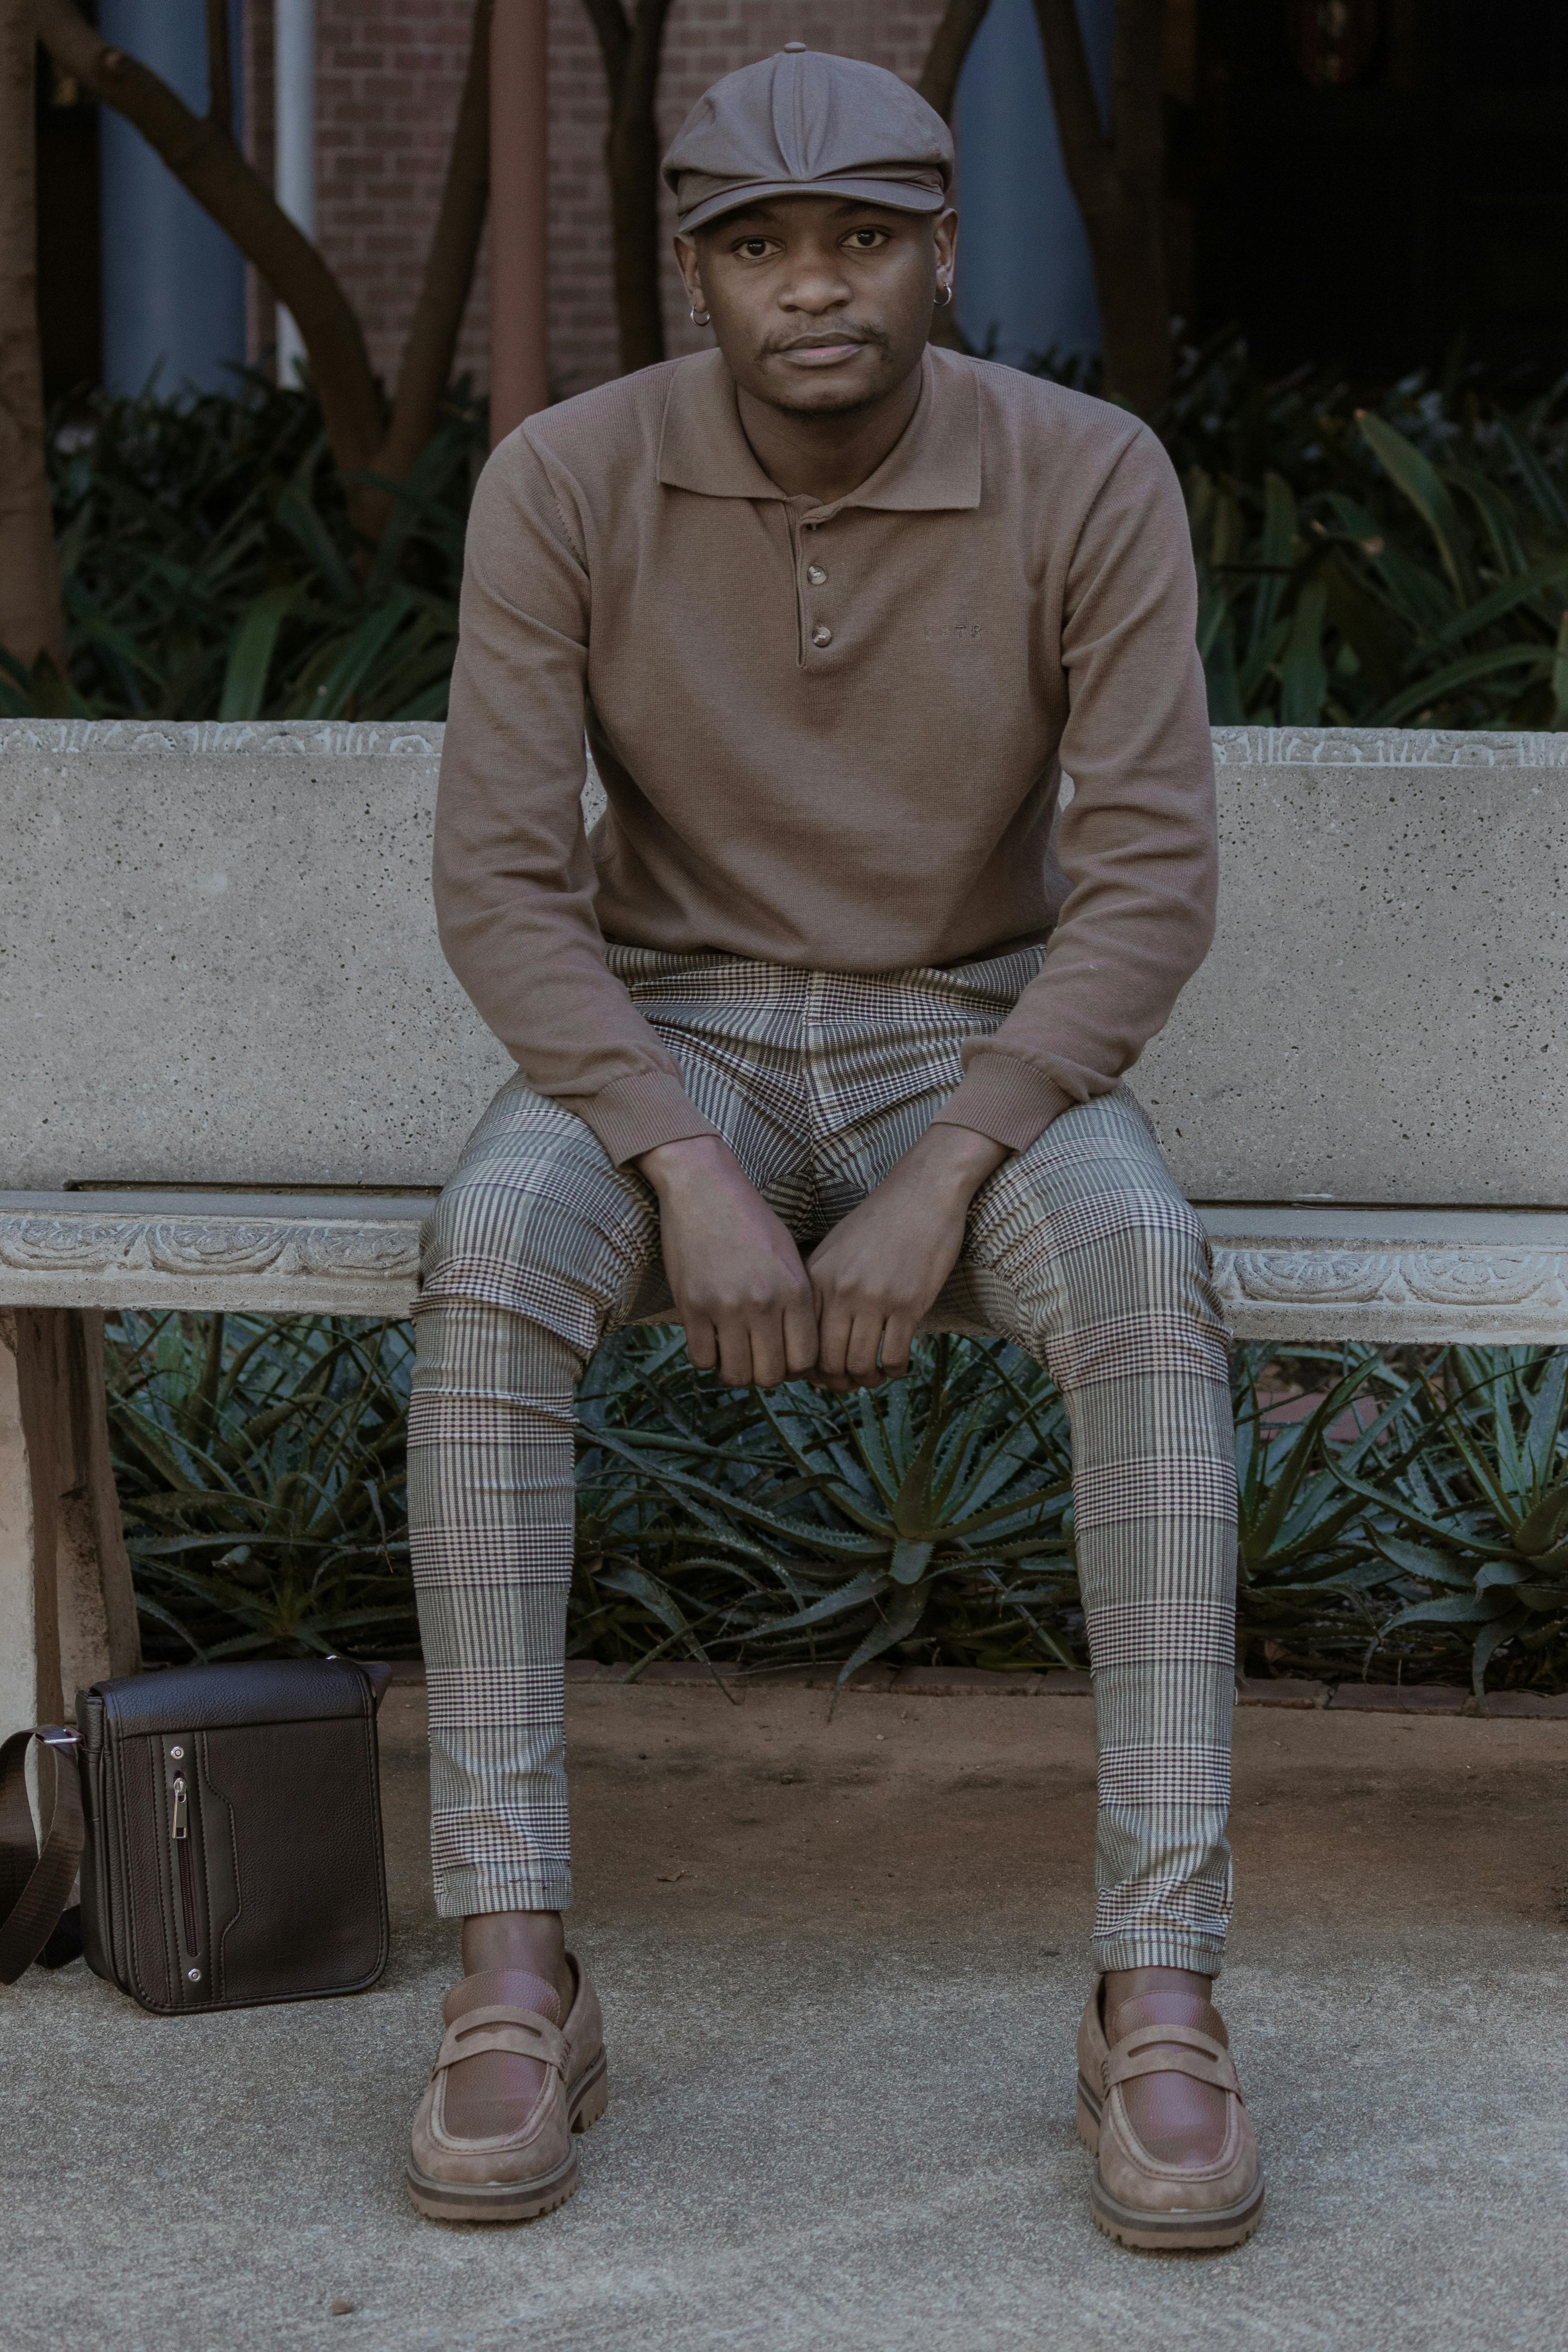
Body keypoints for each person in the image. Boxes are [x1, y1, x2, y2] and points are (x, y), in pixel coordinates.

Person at [403, 45, 1260, 2253]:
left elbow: (1150, 878)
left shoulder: (1089, 478)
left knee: (1149, 1275)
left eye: (863, 241)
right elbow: (506, 882)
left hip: (966, 1034)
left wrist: (949, 1160)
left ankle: (1159, 1989)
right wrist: (681, 1159)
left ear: (942, 253)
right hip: (663, 1026)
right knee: (496, 1243)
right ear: (692, 268)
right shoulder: (564, 480)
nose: (817, 290)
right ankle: (512, 1965)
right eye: (765, 247)